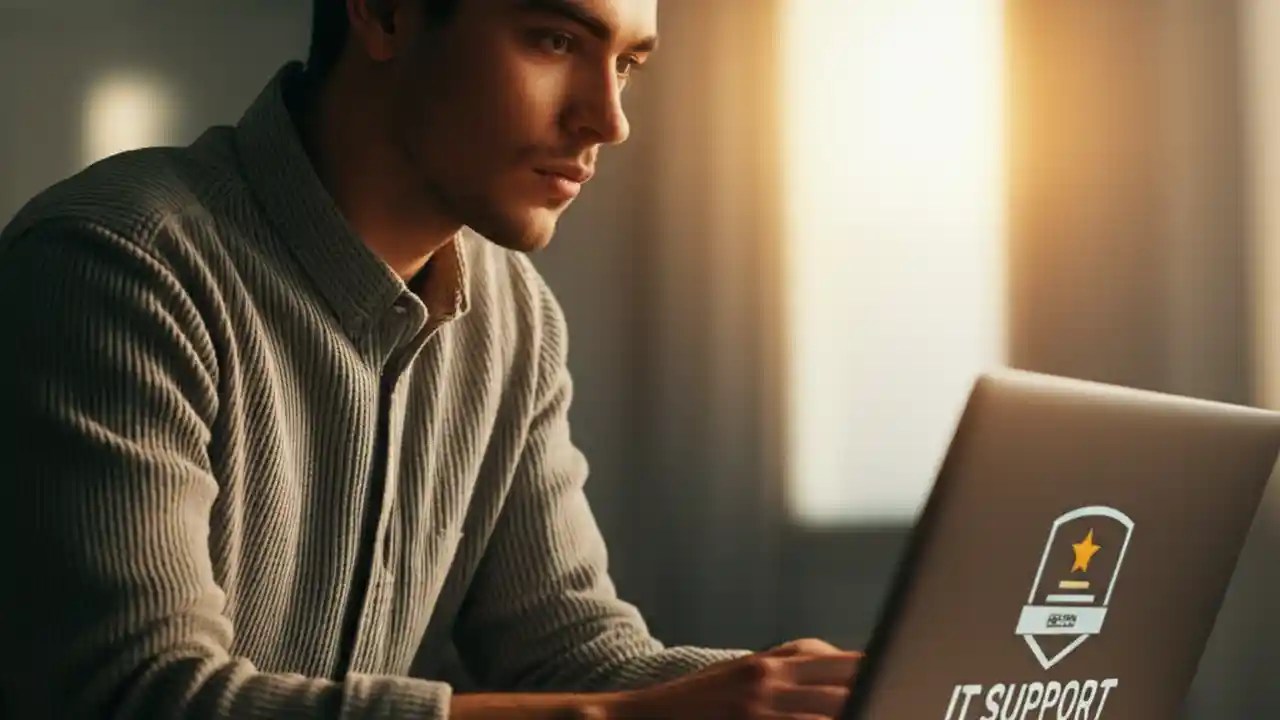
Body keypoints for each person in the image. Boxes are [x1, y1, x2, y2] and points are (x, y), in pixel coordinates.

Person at [0, 0, 860, 717]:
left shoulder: (515, 315)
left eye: (629, 63)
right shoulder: (115, 265)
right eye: (555, 40)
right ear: (383, 12)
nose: (610, 119)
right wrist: (620, 719)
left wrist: (812, 693)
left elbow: (563, 649)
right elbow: (138, 699)